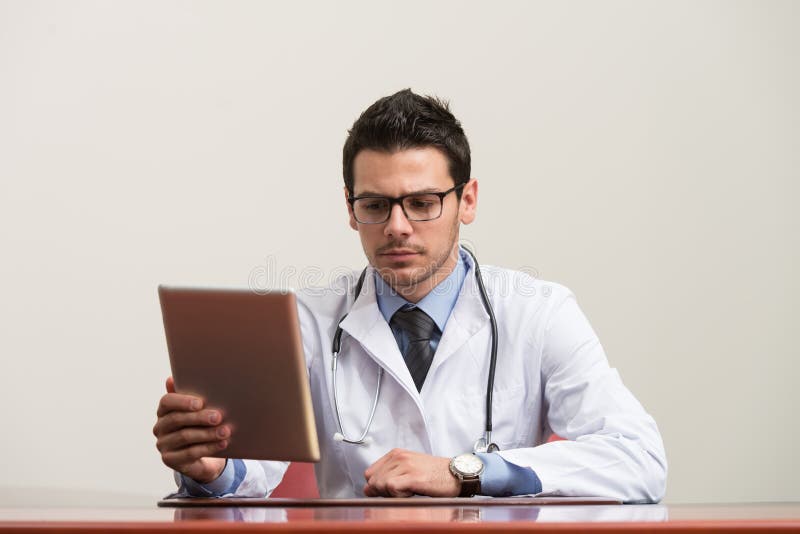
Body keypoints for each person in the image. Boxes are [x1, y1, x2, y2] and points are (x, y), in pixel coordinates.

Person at [153, 89, 667, 502]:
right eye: (375, 205)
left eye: (422, 202)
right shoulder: (304, 320)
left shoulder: (540, 313)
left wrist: (468, 472)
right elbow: (251, 470)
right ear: (351, 210)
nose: (397, 227)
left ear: (467, 201)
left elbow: (639, 459)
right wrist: (213, 468)